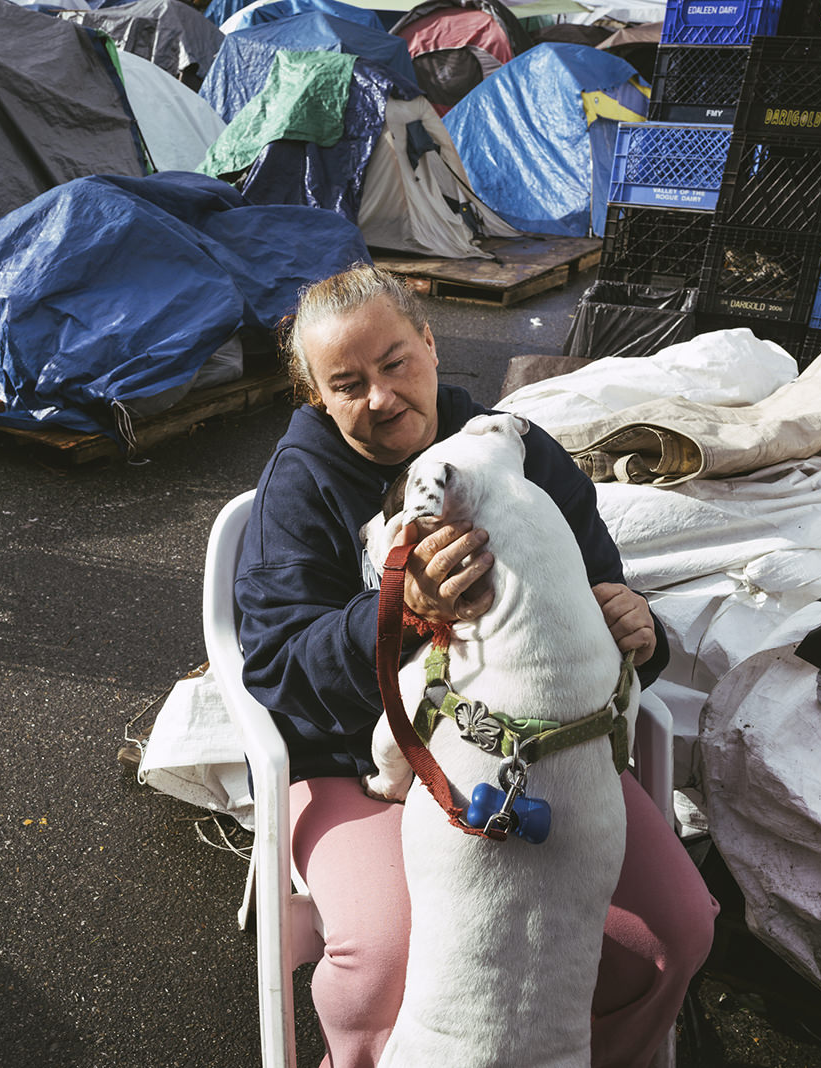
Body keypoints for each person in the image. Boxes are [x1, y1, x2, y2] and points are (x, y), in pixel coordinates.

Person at [234, 264, 717, 1068]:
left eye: (395, 362)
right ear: (315, 395)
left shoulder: (519, 452)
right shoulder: (301, 486)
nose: (381, 397)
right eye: (347, 384)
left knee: (674, 936)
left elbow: (604, 604)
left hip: (539, 754)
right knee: (385, 970)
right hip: (362, 763)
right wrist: (402, 611)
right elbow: (279, 670)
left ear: (430, 342)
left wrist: (637, 630)